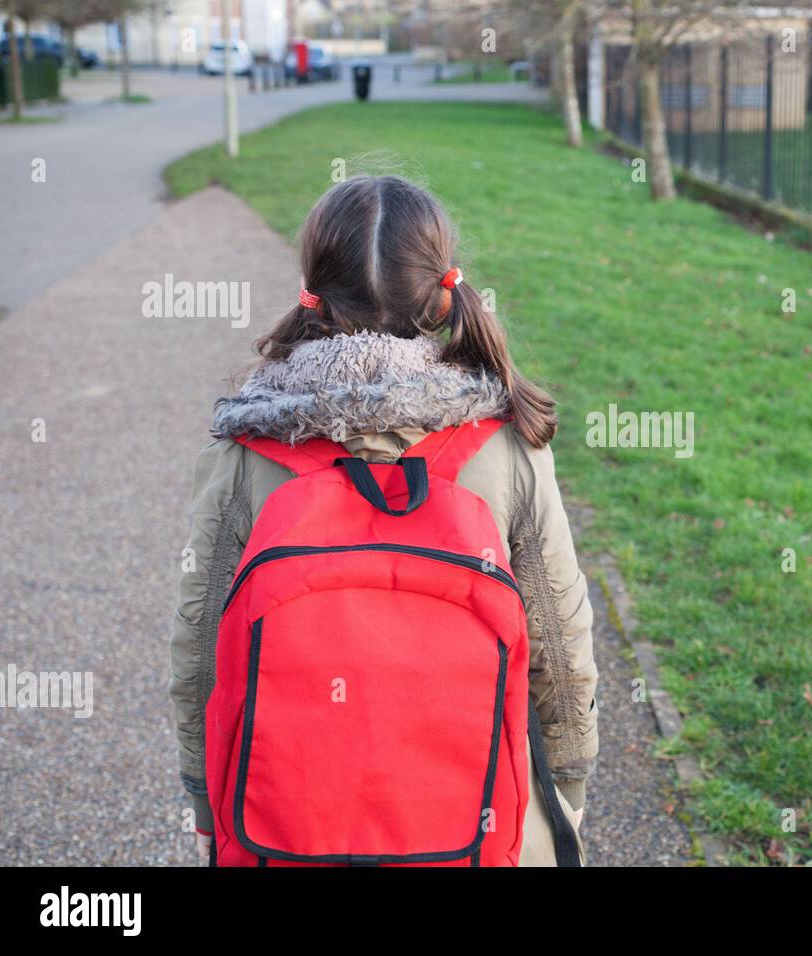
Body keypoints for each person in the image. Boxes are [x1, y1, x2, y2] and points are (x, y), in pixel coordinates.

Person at [169, 175, 598, 866]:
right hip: (480, 821)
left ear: (314, 289)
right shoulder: (508, 443)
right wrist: (568, 786)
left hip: (282, 827)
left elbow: (199, 644)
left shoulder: (248, 452)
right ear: (439, 290)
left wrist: (203, 793)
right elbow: (558, 635)